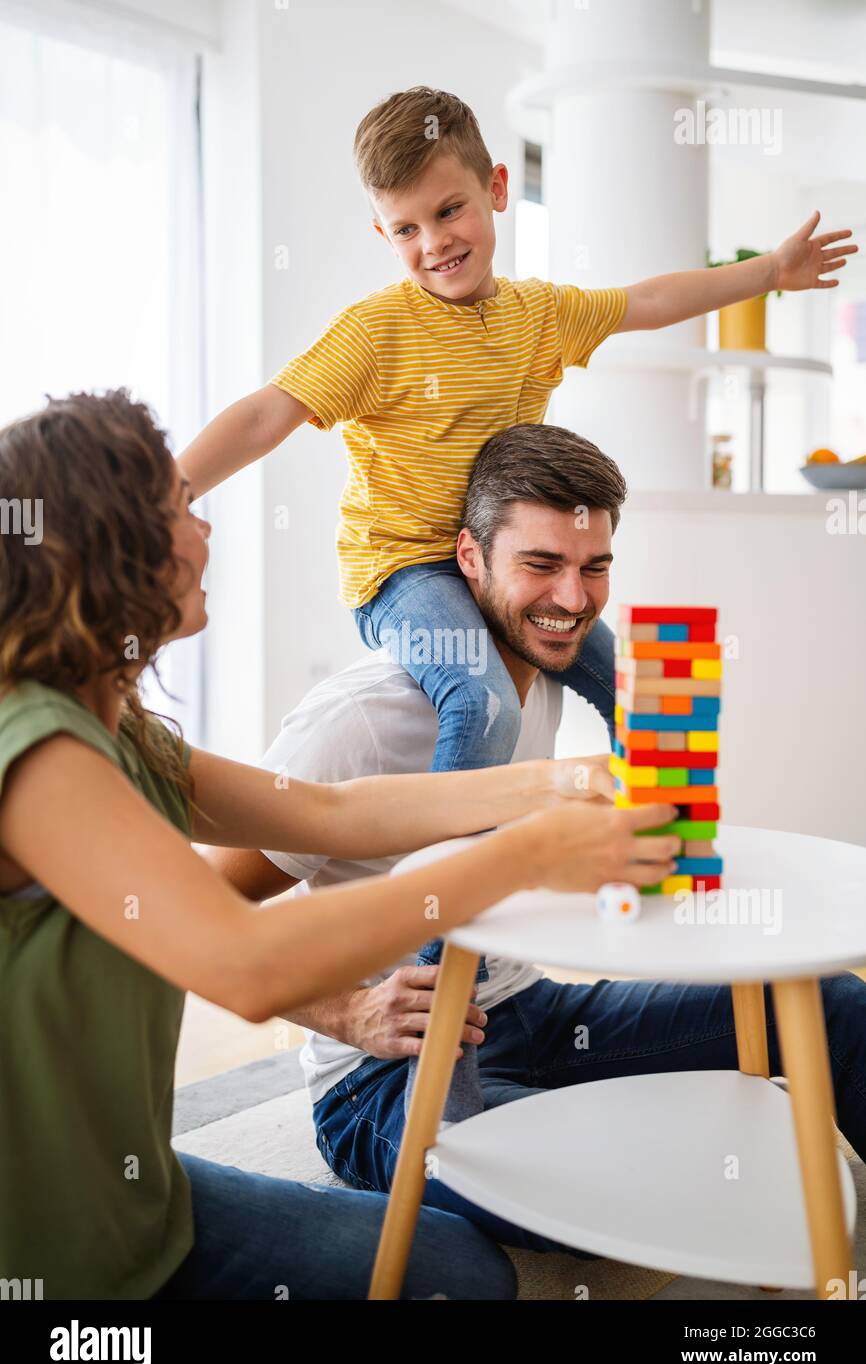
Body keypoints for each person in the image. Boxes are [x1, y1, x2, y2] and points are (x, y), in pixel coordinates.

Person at [0, 389, 678, 1300]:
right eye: (181, 509)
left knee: (458, 1273)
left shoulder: (120, 728)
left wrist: (558, 783)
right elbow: (245, 962)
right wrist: (523, 855)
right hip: (48, 1249)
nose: (206, 531)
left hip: (136, 1195)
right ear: (110, 546)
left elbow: (326, 813)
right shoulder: (37, 748)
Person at [213, 420, 866, 1257]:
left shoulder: (546, 677)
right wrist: (349, 1010)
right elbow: (205, 903)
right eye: (540, 565)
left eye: (594, 568)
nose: (572, 599)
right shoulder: (364, 718)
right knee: (621, 1180)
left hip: (534, 1008)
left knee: (832, 1004)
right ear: (470, 559)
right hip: (384, 1079)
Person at [178, 84, 856, 766]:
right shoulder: (376, 332)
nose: (435, 242)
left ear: (497, 189)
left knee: (642, 693)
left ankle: (656, 844)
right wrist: (169, 490)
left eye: (449, 211)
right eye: (407, 229)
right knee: (486, 701)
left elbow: (648, 300)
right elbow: (269, 413)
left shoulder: (540, 315)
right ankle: (452, 864)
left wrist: (768, 271)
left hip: (499, 561)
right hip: (406, 569)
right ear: (384, 234)